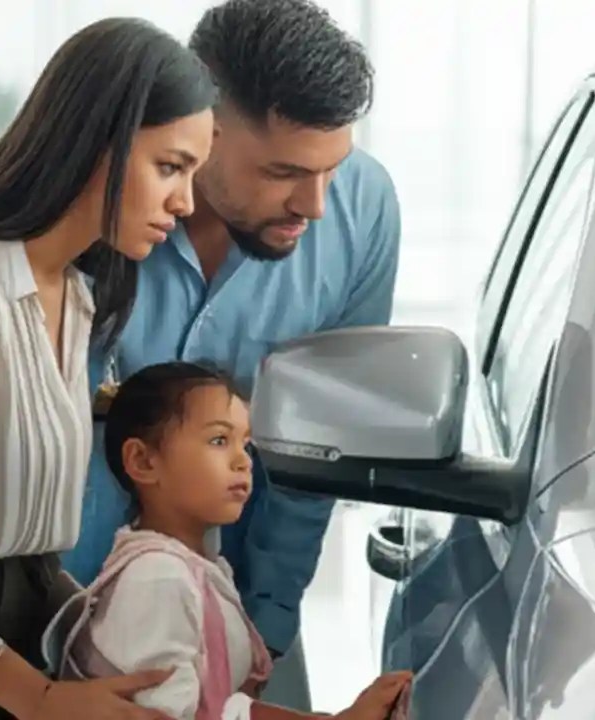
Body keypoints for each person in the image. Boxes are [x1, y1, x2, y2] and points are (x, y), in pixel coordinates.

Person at [62, 0, 402, 679]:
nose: (314, 206)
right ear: (203, 128)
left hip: (236, 615)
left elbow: (319, 447)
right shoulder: (93, 203)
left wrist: (265, 624)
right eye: (282, 173)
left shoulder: (363, 210)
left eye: (332, 168)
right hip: (60, 614)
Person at [0, 16, 218, 720]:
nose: (186, 203)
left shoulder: (80, 296)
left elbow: (29, 554)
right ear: (99, 141)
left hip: (24, 647)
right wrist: (32, 694)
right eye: (170, 167)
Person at [48, 362, 411, 720]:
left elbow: (216, 707)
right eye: (219, 440)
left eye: (245, 444)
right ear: (143, 461)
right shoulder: (158, 579)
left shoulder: (196, 569)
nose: (243, 462)